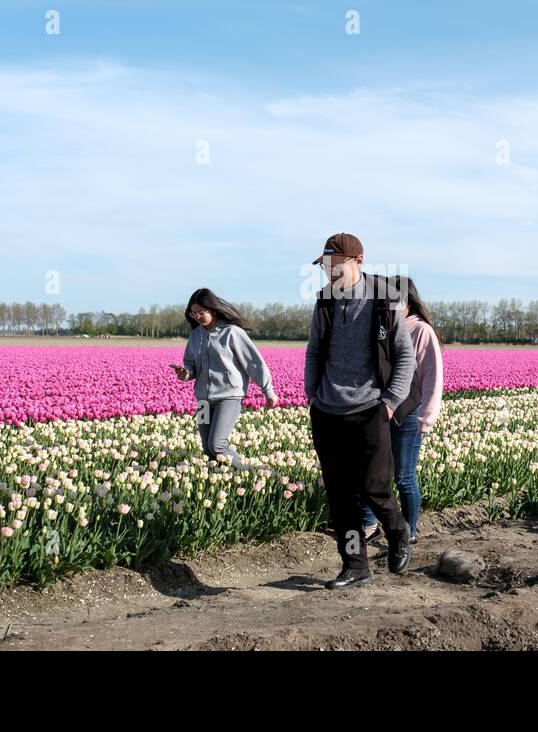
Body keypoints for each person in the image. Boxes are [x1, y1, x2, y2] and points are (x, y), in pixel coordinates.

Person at [304, 233, 415, 589]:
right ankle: (355, 565)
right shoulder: (324, 302)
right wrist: (313, 394)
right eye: (325, 268)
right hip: (328, 411)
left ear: (359, 262)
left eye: (336, 267)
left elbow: (404, 355)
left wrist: (389, 402)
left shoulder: (385, 298)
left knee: (375, 487)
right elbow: (314, 352)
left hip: (370, 409)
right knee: (340, 497)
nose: (330, 275)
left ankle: (398, 531)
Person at [360, 276, 442, 546]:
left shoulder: (421, 331)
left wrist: (426, 418)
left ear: (407, 301)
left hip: (408, 414)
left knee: (404, 477)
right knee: (373, 472)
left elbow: (432, 377)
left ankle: (410, 529)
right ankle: (370, 525)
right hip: (380, 410)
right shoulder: (380, 327)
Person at [171, 288, 278, 470]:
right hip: (203, 401)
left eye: (201, 312)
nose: (197, 316)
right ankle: (220, 480)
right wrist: (186, 373)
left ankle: (251, 472)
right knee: (207, 449)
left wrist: (268, 390)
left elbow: (253, 362)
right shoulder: (196, 335)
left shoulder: (231, 332)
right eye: (193, 313)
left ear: (212, 309)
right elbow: (190, 364)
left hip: (228, 397)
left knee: (217, 445)